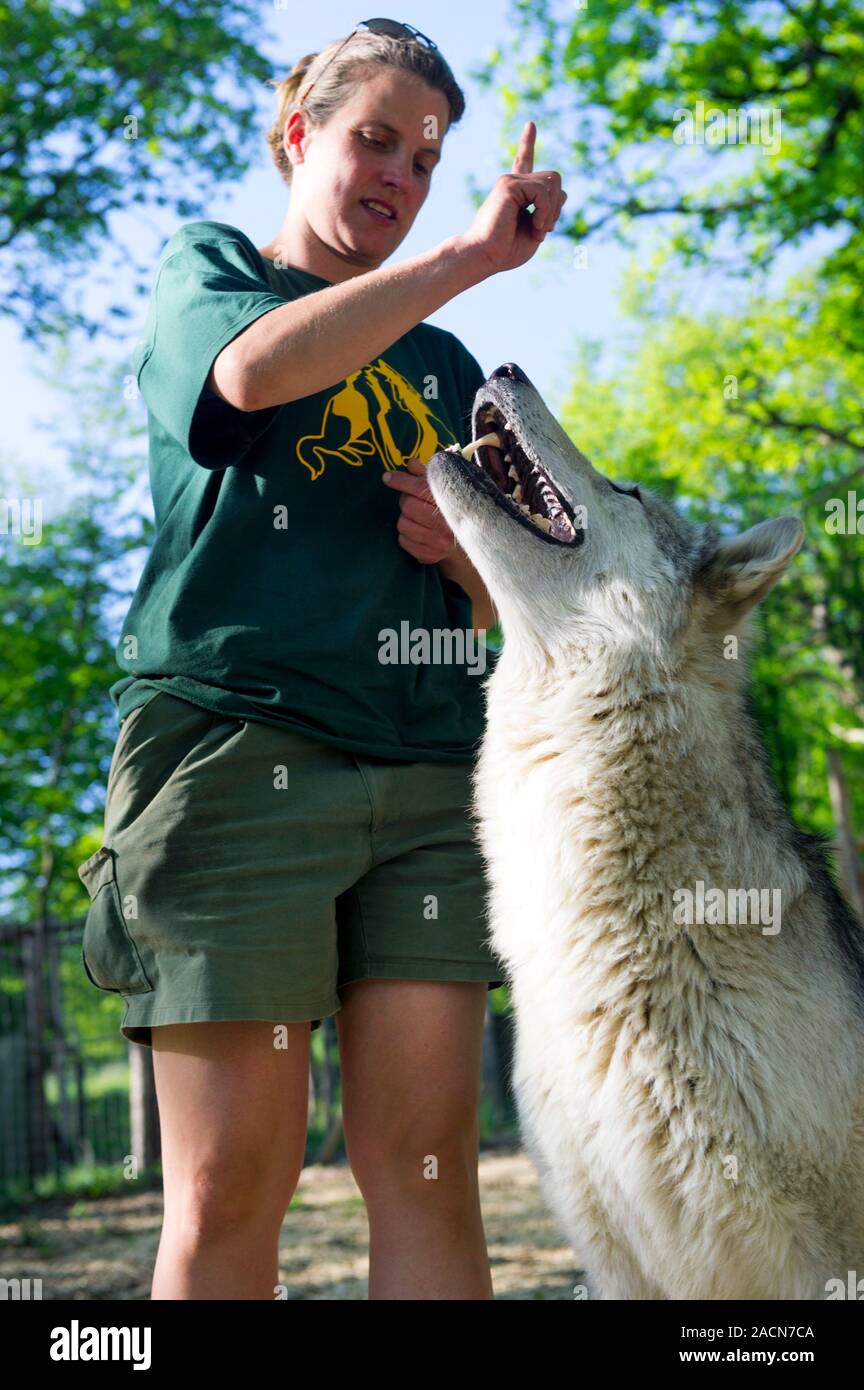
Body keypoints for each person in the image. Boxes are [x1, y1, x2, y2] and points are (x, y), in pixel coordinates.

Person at [76, 19, 566, 1300]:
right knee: (237, 1183)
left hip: (427, 784)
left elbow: (515, 609)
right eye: (375, 138)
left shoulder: (449, 366)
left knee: (427, 1167)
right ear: (300, 134)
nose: (403, 174)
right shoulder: (215, 270)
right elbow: (246, 379)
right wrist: (467, 259)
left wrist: (460, 559)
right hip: (237, 758)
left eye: (428, 155)